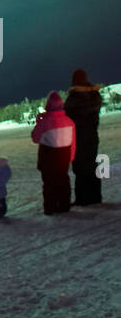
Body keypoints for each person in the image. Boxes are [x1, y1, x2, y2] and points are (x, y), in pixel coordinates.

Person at [31, 91, 76, 215]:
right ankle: (64, 205)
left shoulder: (46, 122)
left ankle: (50, 207)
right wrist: (71, 157)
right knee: (63, 181)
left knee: (49, 183)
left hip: (48, 158)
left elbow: (35, 138)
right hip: (64, 156)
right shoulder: (69, 121)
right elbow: (73, 141)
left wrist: (40, 121)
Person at [64, 69, 103, 206]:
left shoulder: (74, 97)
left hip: (79, 136)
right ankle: (95, 196)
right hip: (92, 135)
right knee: (91, 165)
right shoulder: (94, 94)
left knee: (80, 167)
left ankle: (83, 198)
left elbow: (68, 116)